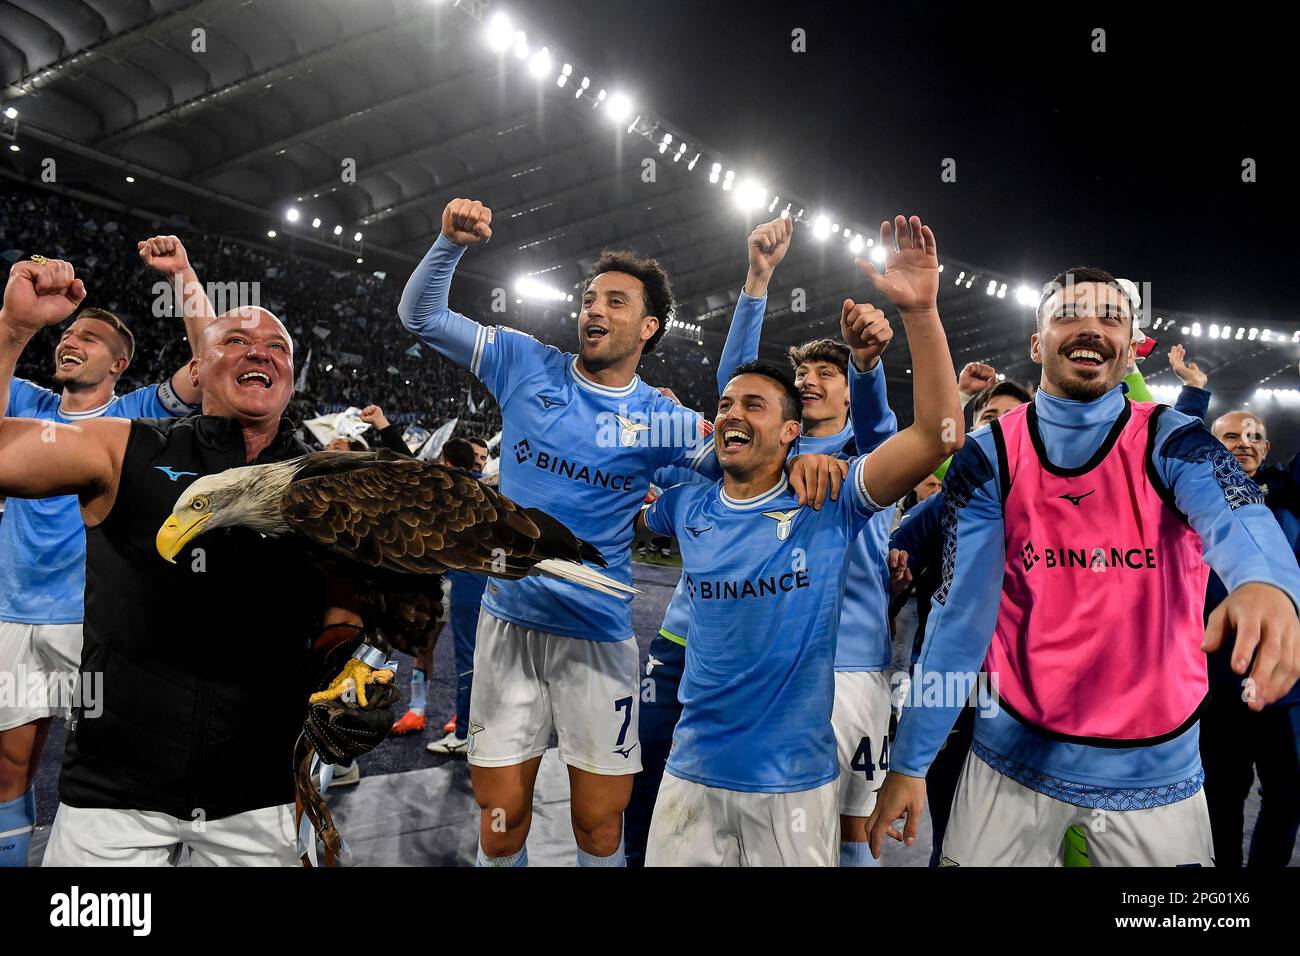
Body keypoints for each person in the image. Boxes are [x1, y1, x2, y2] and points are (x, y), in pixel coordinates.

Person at [869, 265, 1300, 866]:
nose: (1092, 328)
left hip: (1157, 776)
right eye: (1069, 315)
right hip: (1007, 767)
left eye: (1112, 319)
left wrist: (1268, 584)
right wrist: (911, 761)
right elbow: (958, 617)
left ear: (1128, 350)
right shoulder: (989, 454)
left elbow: (1241, 519)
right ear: (1036, 343)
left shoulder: (1175, 442)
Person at [0, 258, 372, 865]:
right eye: (236, 340)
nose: (260, 352)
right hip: (112, 798)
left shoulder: (330, 485)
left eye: (277, 346)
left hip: (264, 797)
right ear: (198, 368)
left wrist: (349, 679)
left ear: (290, 375)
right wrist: (13, 331)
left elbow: (345, 610)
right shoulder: (125, 446)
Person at [397, 198, 734, 867]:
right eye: (589, 298)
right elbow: (421, 317)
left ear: (649, 327)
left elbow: (738, 468)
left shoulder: (659, 419)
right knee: (500, 824)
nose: (594, 310)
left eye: (614, 301)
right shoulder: (526, 363)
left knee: (598, 827)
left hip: (598, 642)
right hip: (507, 628)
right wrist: (448, 245)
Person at [641, 214, 962, 865]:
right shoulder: (718, 482)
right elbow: (733, 401)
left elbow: (933, 434)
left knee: (853, 835)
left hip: (837, 688)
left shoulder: (846, 474)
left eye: (828, 372)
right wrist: (756, 279)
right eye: (803, 374)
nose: (811, 380)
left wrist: (906, 327)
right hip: (705, 742)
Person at [0, 237, 216, 867]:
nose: (73, 340)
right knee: (9, 768)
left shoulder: (139, 413)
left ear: (120, 363)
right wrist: (14, 327)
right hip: (12, 613)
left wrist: (183, 276)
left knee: (114, 768)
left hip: (96, 620)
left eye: (91, 337)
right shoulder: (25, 404)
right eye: (69, 334)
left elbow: (209, 373)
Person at [1201, 409, 1300, 866]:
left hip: (1284, 688)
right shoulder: (1191, 503)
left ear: (1267, 449)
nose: (1244, 442)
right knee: (1221, 797)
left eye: (1254, 437)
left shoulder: (1290, 502)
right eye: (1231, 436)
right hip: (1215, 684)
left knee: (1288, 795)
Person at [425, 435, 493, 756]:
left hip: (467, 579)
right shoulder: (489, 485)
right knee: (483, 657)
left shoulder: (449, 488)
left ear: (448, 463)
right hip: (486, 577)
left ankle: (466, 732)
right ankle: (481, 729)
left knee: (468, 657)